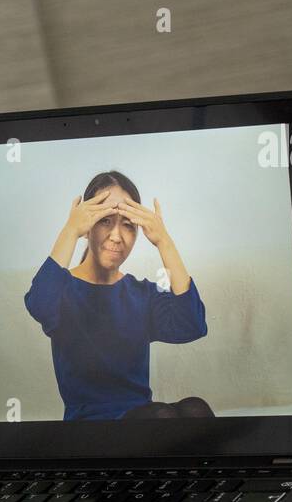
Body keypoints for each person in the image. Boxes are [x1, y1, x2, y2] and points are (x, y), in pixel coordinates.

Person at [24, 170, 211, 421]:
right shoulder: (63, 289)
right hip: (90, 425)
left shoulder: (142, 293)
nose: (116, 236)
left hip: (142, 418)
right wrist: (70, 230)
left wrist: (164, 241)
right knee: (161, 416)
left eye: (127, 225)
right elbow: (39, 304)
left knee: (194, 409)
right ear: (87, 226)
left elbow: (192, 325)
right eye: (104, 220)